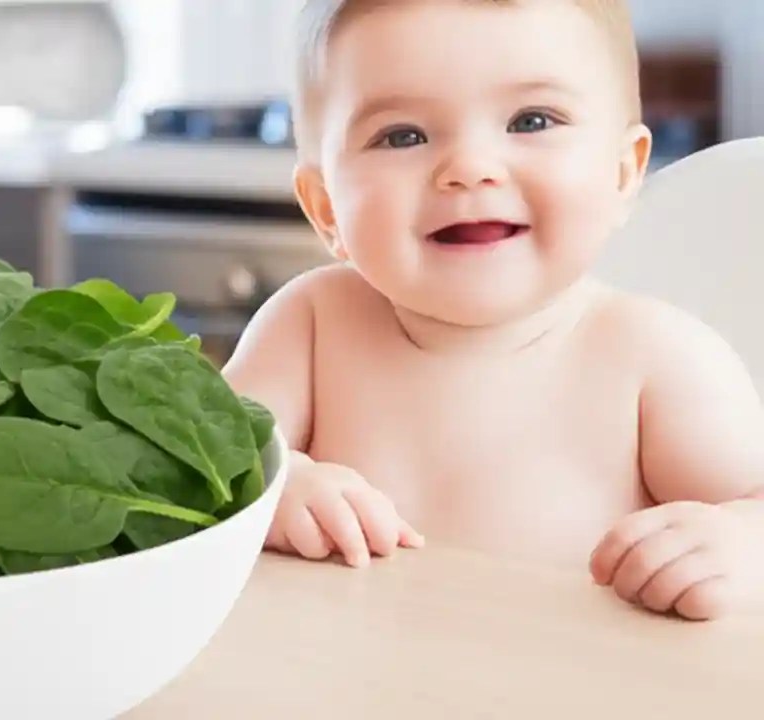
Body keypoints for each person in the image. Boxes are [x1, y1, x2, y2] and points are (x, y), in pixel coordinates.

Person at [223, 0, 764, 621]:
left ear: (622, 174)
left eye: (532, 120)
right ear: (325, 209)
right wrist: (272, 487)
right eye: (403, 135)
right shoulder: (309, 326)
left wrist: (744, 546)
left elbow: (754, 508)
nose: (469, 169)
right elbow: (203, 465)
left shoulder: (654, 357)